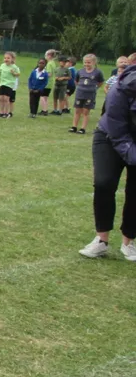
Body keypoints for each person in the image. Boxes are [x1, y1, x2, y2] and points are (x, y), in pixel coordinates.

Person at [78, 54, 136, 261]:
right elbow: (118, 131)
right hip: (110, 136)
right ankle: (101, 240)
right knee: (104, 183)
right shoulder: (120, 90)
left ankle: (129, 241)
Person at [68, 54, 105, 135]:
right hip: (80, 93)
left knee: (85, 111)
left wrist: (94, 88)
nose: (86, 64)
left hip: (90, 95)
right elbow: (76, 81)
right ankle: (74, 126)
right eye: (85, 62)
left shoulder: (98, 72)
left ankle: (82, 128)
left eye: (89, 62)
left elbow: (101, 82)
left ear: (94, 62)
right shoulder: (80, 71)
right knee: (77, 110)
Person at [0, 52, 20, 118]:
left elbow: (18, 74)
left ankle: (6, 113)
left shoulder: (14, 67)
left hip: (9, 84)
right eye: (5, 58)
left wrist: (14, 73)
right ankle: (1, 112)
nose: (6, 59)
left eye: (8, 58)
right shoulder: (2, 65)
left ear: (12, 59)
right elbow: (1, 73)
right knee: (1, 98)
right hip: (2, 84)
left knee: (6, 98)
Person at [44, 49, 59, 115]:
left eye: (46, 55)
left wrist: (42, 74)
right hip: (51, 82)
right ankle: (45, 109)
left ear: (49, 56)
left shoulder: (49, 64)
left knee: (43, 97)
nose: (45, 56)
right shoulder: (53, 63)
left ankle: (44, 110)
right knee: (46, 97)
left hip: (47, 83)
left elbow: (49, 74)